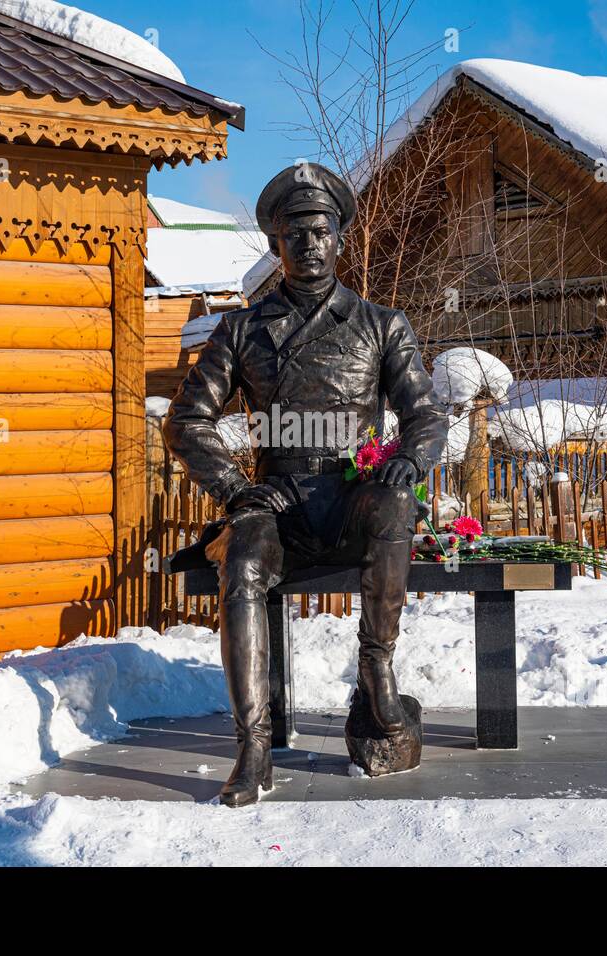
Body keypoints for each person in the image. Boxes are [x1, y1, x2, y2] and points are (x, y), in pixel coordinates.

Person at [163, 163, 447, 806]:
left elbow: (426, 412)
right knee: (242, 559)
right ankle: (254, 746)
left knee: (394, 501)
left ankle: (377, 665)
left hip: (353, 497)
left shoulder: (382, 324)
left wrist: (410, 458)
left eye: (321, 232)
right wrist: (236, 490)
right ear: (275, 244)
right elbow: (186, 419)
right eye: (296, 235)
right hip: (279, 499)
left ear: (339, 239)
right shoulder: (242, 329)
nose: (310, 245)